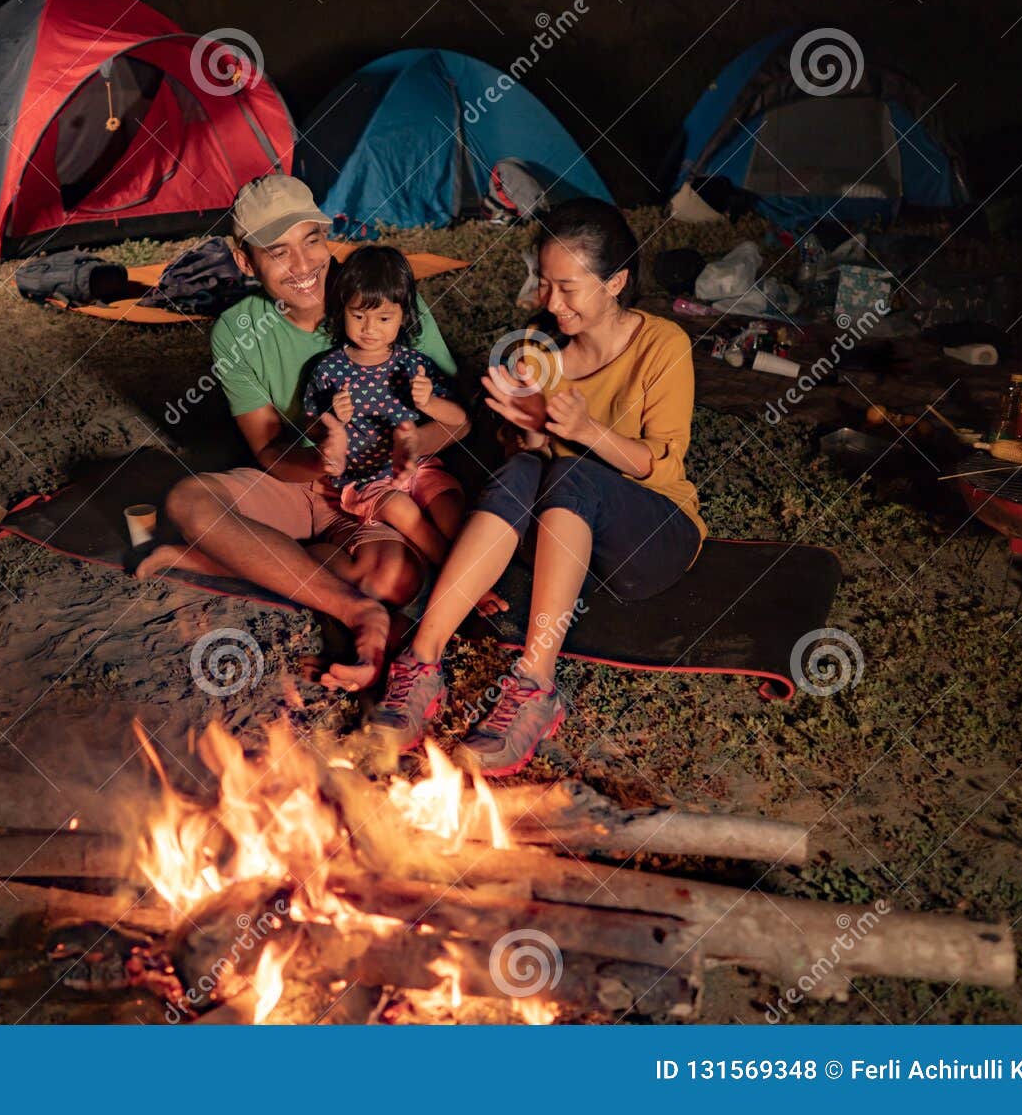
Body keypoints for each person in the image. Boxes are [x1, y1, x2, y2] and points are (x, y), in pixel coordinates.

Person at [366, 198, 708, 777]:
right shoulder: (537, 349)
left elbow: (662, 466)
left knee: (574, 473)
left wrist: (583, 429)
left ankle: (535, 685)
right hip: (562, 538)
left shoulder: (662, 345)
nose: (551, 301)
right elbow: (528, 464)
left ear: (616, 282)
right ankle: (422, 662)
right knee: (524, 469)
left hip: (650, 540)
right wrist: (531, 430)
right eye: (545, 283)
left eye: (568, 287)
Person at [137, 175, 468, 690]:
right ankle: (358, 612)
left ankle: (224, 560)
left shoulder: (381, 296)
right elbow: (268, 449)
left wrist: (406, 449)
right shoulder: (237, 331)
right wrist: (321, 462)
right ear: (245, 261)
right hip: (301, 480)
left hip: (379, 484)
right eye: (278, 251)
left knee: (392, 578)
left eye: (311, 240)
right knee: (190, 501)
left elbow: (454, 418)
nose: (303, 264)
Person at [303, 246, 467, 568]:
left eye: (383, 318)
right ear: (342, 309)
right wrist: (334, 418)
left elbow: (459, 418)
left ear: (403, 315)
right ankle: (455, 575)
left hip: (419, 467)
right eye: (358, 316)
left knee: (449, 506)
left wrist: (429, 403)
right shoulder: (330, 369)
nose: (369, 328)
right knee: (401, 510)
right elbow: (311, 424)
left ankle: (474, 564)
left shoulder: (415, 364)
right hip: (366, 478)